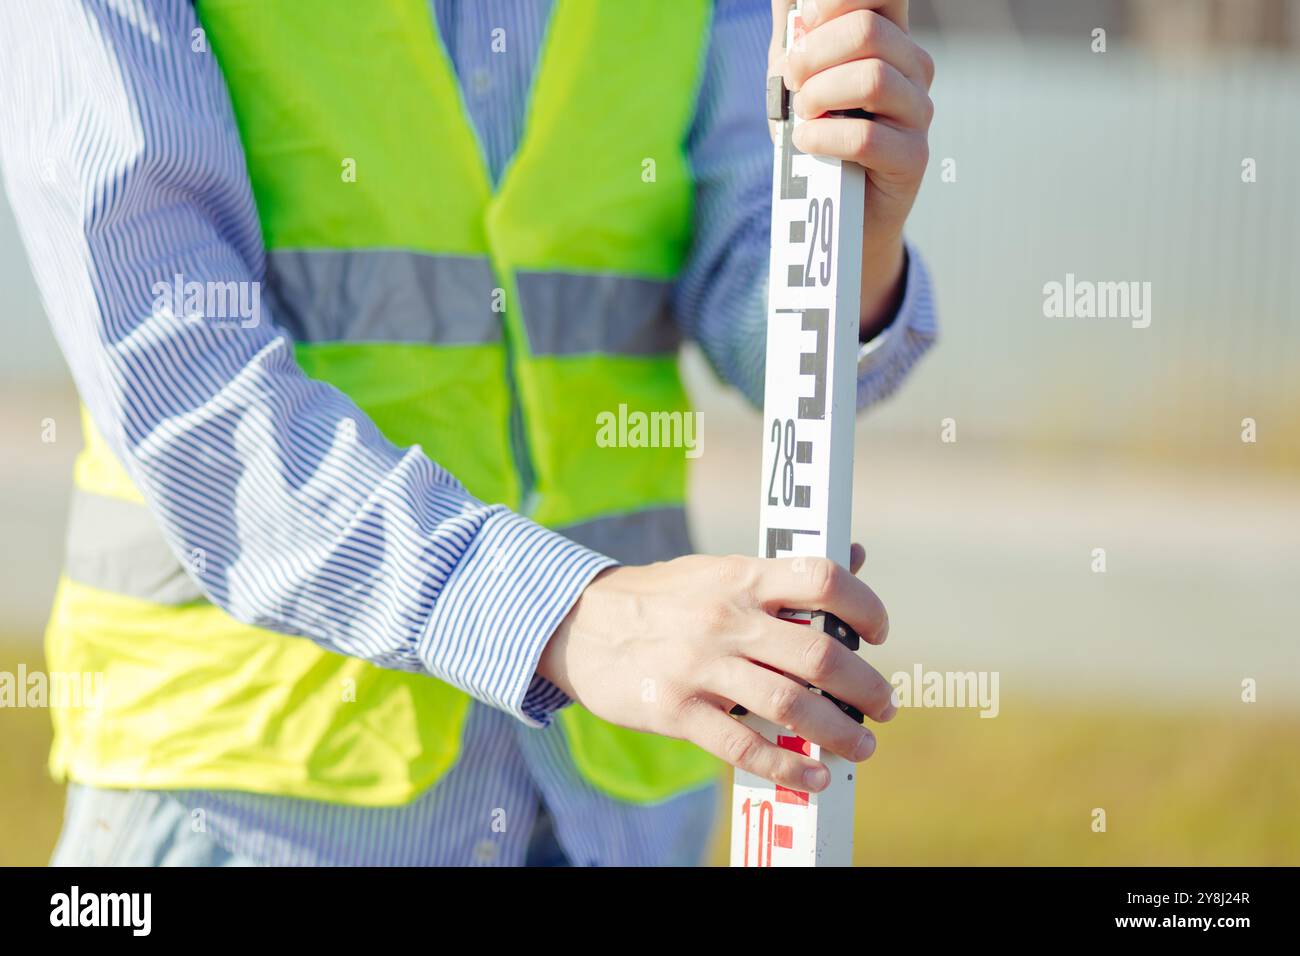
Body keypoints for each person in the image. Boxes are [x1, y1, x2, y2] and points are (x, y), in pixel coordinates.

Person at [0, 0, 937, 866]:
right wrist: (572, 616)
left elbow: (754, 293)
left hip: (615, 806)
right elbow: (185, 388)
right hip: (254, 799)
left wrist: (849, 233)